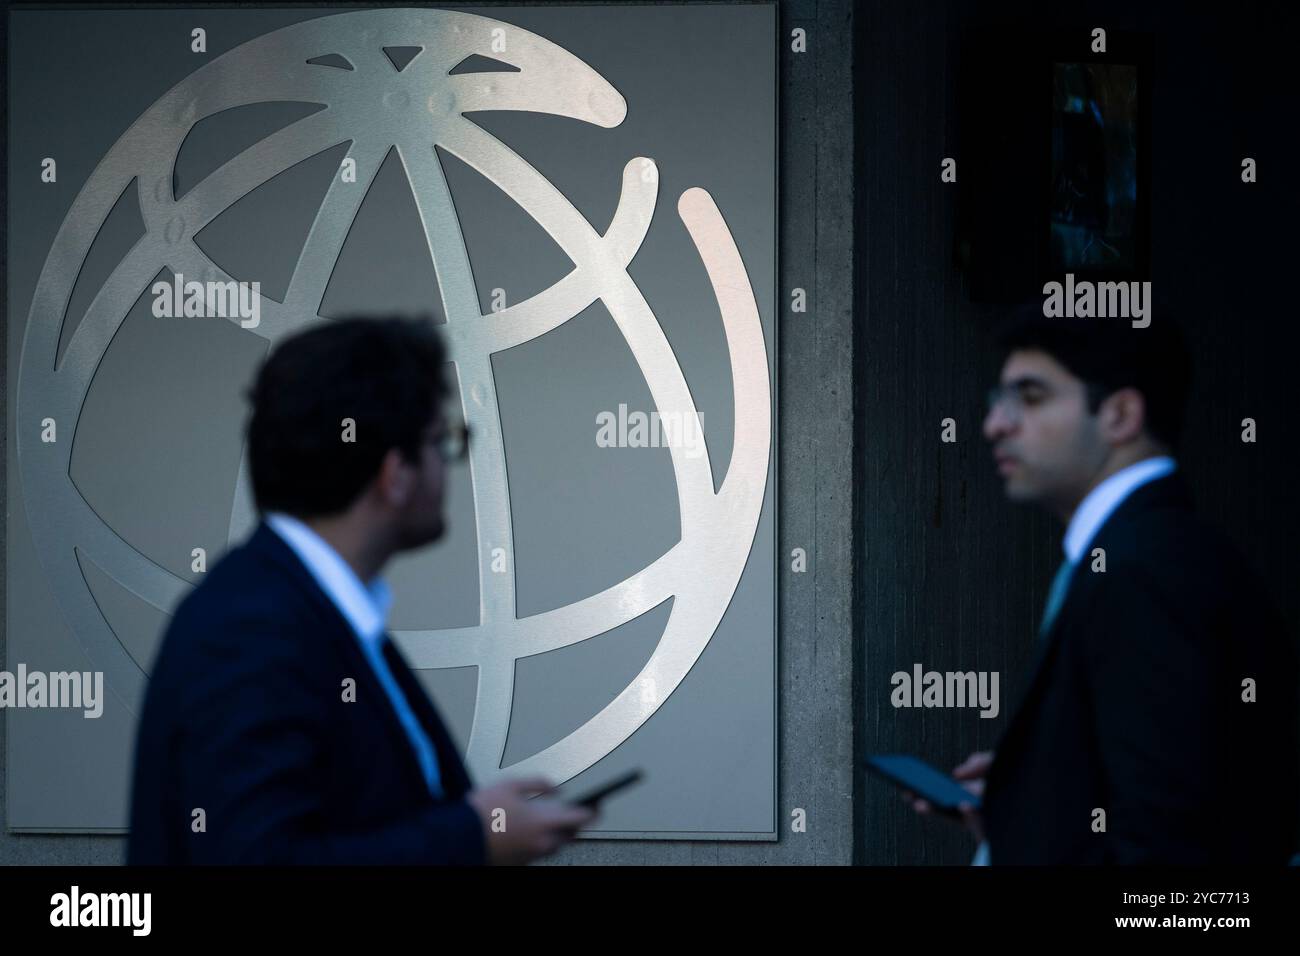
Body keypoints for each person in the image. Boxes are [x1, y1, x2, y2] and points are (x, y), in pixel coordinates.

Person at [128, 316, 594, 864]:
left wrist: (474, 820)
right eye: (441, 443)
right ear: (395, 473)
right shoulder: (249, 627)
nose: (449, 467)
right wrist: (472, 837)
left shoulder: (308, 612)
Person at [910, 307, 1299, 864]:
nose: (996, 424)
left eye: (1032, 396)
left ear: (1119, 415)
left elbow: (1169, 861)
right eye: (1000, 400)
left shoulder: (1146, 571)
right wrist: (1035, 791)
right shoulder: (1142, 554)